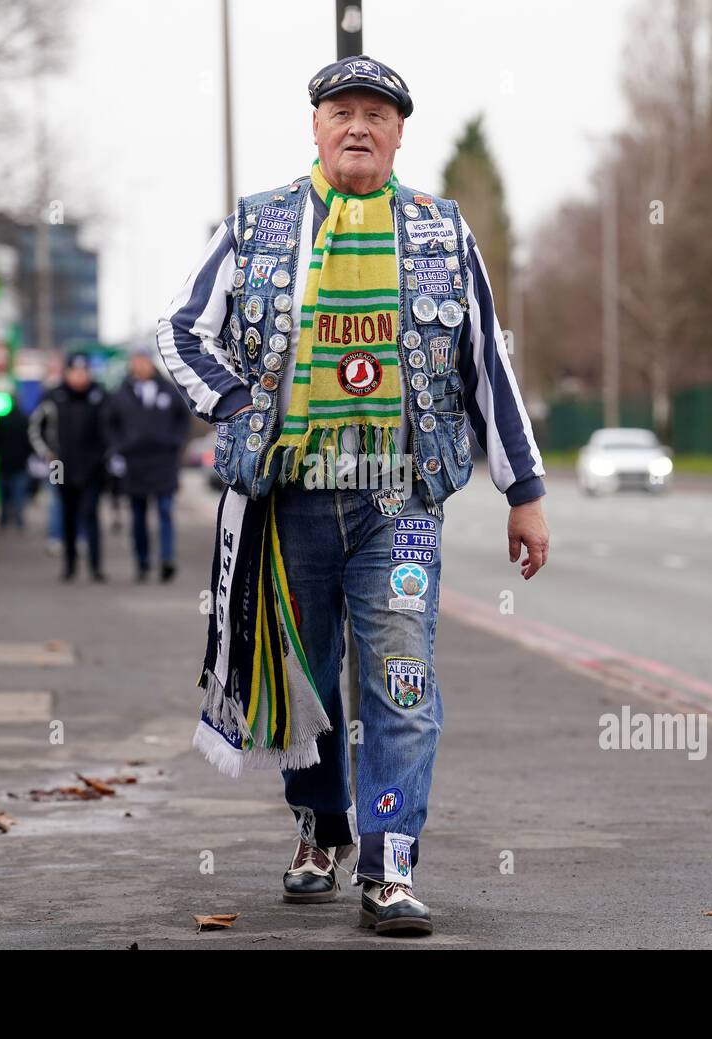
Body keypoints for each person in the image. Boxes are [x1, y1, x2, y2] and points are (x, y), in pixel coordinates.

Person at [157, 55, 549, 937]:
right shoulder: (255, 227)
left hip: (400, 501)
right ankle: (321, 828)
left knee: (401, 682)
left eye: (378, 111)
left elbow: (488, 363)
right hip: (289, 499)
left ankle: (390, 864)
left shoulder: (444, 234)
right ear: (316, 126)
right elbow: (179, 330)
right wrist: (238, 403)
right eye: (343, 111)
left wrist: (523, 489)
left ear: (402, 131)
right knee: (306, 687)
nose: (359, 126)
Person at [105, 343, 190, 582]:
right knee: (138, 514)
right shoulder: (120, 393)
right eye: (136, 361)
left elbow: (183, 418)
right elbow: (109, 424)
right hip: (135, 462)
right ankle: (142, 562)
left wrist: (174, 442)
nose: (140, 366)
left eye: (144, 360)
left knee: (164, 510)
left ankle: (166, 559)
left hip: (163, 460)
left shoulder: (169, 390)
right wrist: (118, 448)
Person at [29, 351, 109, 582]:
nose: (80, 376)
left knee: (91, 514)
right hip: (59, 466)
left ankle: (95, 566)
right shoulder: (53, 397)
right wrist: (47, 453)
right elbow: (36, 428)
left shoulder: (100, 395)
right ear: (67, 372)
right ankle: (70, 565)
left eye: (84, 371)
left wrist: (106, 455)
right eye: (75, 371)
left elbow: (112, 427)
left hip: (94, 466)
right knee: (66, 514)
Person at [0, 400, 33, 529]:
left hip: (3, 463)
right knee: (19, 493)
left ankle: (4, 519)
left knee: (3, 493)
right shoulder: (25, 421)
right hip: (20, 464)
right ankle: (19, 520)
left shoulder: (1, 420)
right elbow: (31, 442)